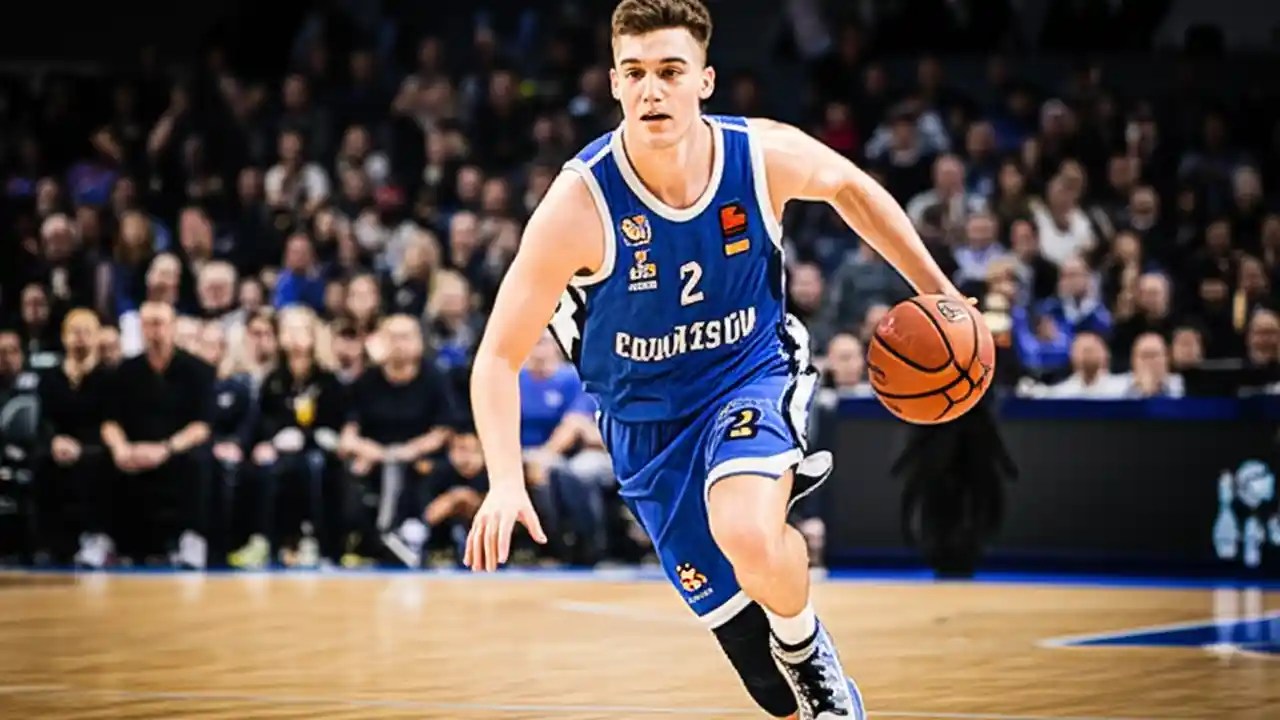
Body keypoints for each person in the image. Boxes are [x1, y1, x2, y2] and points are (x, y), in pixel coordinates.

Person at [463, 2, 963, 718]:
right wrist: (505, 481)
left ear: (705, 81)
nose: (652, 90)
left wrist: (942, 294)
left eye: (670, 71)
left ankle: (807, 647)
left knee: (749, 536)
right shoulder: (579, 205)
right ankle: (786, 666)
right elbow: (498, 357)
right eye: (635, 73)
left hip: (747, 374)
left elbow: (852, 187)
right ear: (613, 83)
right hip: (645, 425)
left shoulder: (758, 154)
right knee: (768, 697)